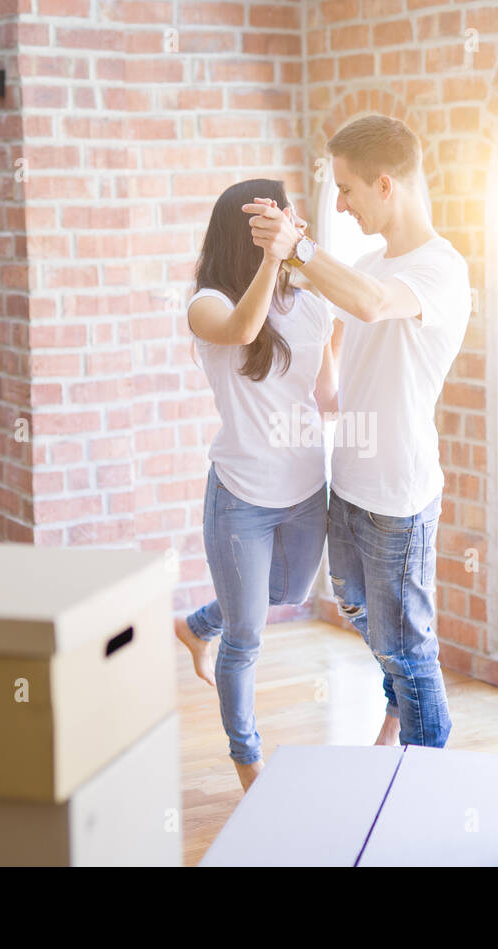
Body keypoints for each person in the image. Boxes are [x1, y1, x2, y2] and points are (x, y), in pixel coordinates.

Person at [245, 115, 472, 749]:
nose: (340, 205)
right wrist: (279, 258)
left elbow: (372, 302)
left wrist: (303, 251)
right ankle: (395, 714)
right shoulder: (373, 259)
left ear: (385, 184)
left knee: (406, 646)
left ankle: (425, 775)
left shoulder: (441, 270)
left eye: (345, 190)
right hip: (350, 480)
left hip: (398, 494)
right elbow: (343, 325)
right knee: (367, 620)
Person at [174, 178, 337, 792]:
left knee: (289, 591)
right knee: (247, 638)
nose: (290, 225)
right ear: (248, 234)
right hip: (240, 493)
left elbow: (326, 397)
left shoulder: (311, 303)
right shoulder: (206, 302)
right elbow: (244, 330)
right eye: (276, 219)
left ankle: (197, 623)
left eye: (289, 216)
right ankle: (250, 766)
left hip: (303, 488)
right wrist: (275, 259)